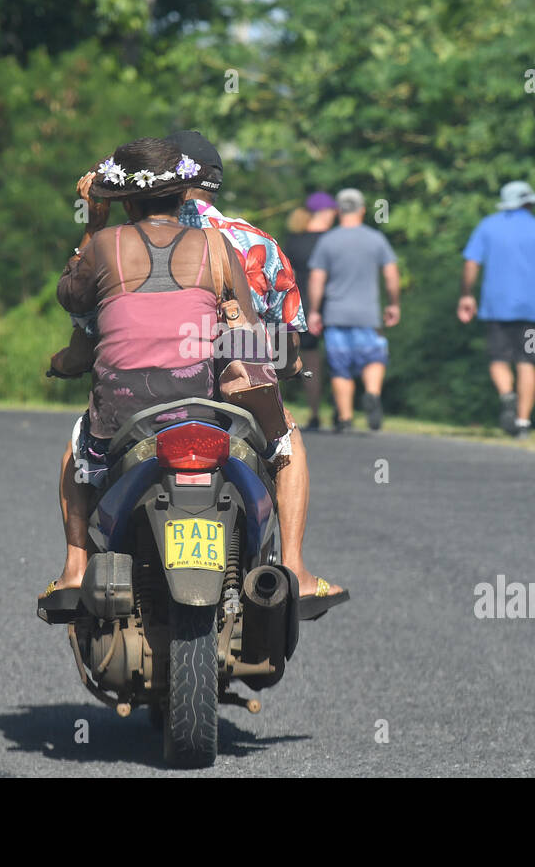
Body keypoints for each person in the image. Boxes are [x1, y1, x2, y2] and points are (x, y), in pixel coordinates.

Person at [170, 131, 344, 602]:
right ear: (216, 184)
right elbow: (288, 347)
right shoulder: (256, 243)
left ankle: (77, 567)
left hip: (148, 396)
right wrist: (280, 369)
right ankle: (296, 570)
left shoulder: (129, 244)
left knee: (85, 450)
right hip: (238, 403)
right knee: (287, 441)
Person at [456, 180, 535, 440]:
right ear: (529, 203)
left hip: (496, 308)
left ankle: (507, 395)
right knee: (528, 362)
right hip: (532, 312)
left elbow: (471, 262)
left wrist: (466, 295)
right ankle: (523, 422)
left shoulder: (488, 226)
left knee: (498, 359)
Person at [306, 188, 399, 432]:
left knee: (340, 367)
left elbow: (316, 279)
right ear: (363, 210)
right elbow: (391, 274)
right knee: (374, 357)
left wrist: (314, 311)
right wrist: (393, 303)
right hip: (368, 313)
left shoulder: (328, 240)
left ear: (337, 211)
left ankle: (346, 419)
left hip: (336, 314)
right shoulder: (376, 239)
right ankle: (372, 393)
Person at [281, 191, 337, 431]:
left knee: (309, 362)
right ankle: (341, 412)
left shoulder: (293, 242)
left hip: (301, 308)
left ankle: (314, 413)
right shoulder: (335, 241)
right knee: (338, 361)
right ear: (326, 213)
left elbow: (283, 277)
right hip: (335, 305)